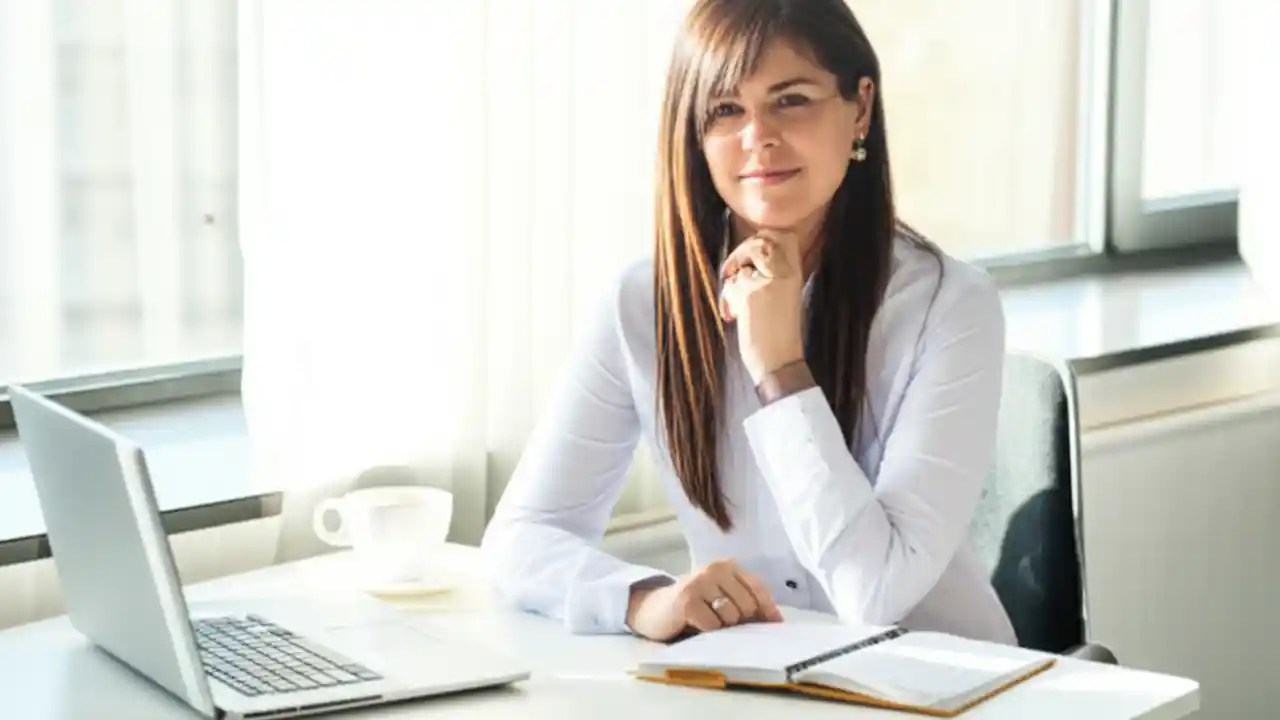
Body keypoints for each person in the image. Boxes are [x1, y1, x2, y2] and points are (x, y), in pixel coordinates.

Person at [481, 0, 1016, 646]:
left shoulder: (951, 306)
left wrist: (779, 369)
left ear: (861, 108)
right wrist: (643, 599)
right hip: (756, 688)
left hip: (946, 689)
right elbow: (521, 539)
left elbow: (875, 593)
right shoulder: (642, 304)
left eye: (791, 100)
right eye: (724, 110)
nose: (756, 135)